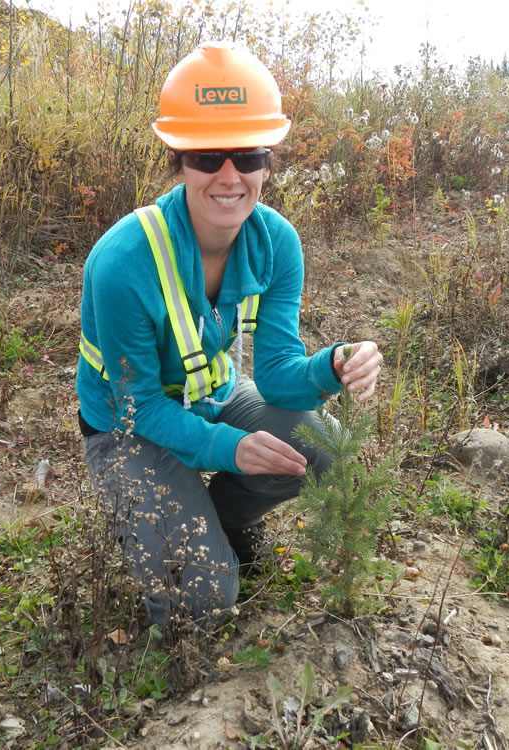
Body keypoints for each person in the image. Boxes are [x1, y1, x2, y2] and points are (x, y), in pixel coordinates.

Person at [77, 41, 382, 626]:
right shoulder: (122, 263)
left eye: (247, 154)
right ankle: (162, 524)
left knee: (321, 449)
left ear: (267, 162)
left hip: (213, 394)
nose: (228, 175)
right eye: (207, 154)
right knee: (204, 602)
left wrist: (334, 365)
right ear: (179, 158)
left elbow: (275, 376)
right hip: (129, 425)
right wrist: (231, 449)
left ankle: (220, 519)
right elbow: (137, 407)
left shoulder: (276, 241)